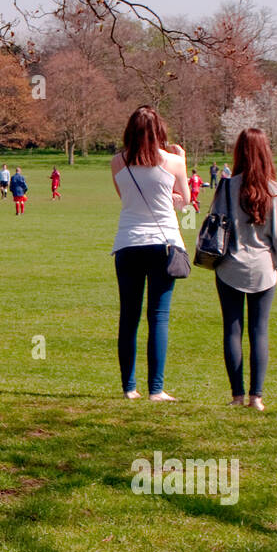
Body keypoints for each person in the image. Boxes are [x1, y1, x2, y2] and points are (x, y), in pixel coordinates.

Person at [111, 105, 189, 401]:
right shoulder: (173, 161)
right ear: (160, 131)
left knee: (129, 317)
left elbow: (126, 199)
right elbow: (185, 203)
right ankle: (156, 389)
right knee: (158, 317)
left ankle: (129, 388)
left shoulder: (118, 162)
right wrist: (175, 194)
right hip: (164, 242)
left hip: (128, 242)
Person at [215, 128, 277, 411]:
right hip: (264, 269)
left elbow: (216, 225)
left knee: (232, 330)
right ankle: (256, 397)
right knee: (259, 331)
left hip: (229, 266)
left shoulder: (226, 187)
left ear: (239, 152)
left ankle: (237, 396)